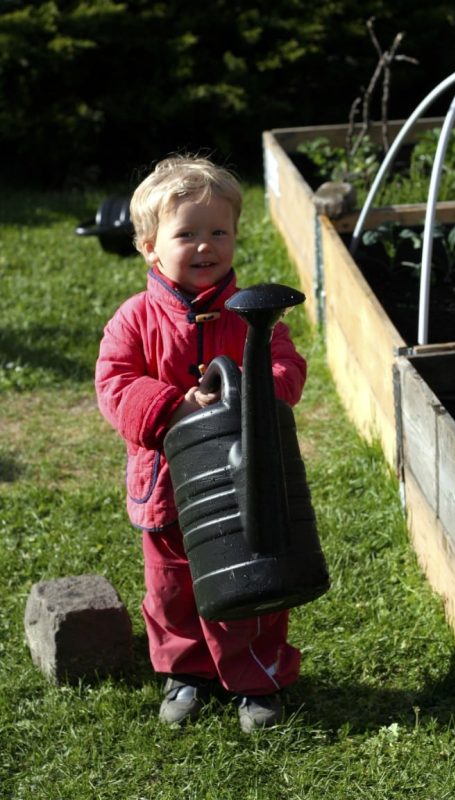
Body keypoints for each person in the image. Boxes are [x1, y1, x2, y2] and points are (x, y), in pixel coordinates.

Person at [95, 155, 307, 733]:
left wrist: (260, 393)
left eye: (219, 232)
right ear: (148, 245)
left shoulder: (249, 317)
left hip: (240, 483)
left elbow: (285, 364)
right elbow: (114, 381)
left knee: (248, 579)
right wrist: (168, 405)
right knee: (171, 590)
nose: (205, 245)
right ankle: (185, 671)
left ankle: (256, 676)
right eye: (186, 233)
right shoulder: (135, 320)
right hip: (165, 486)